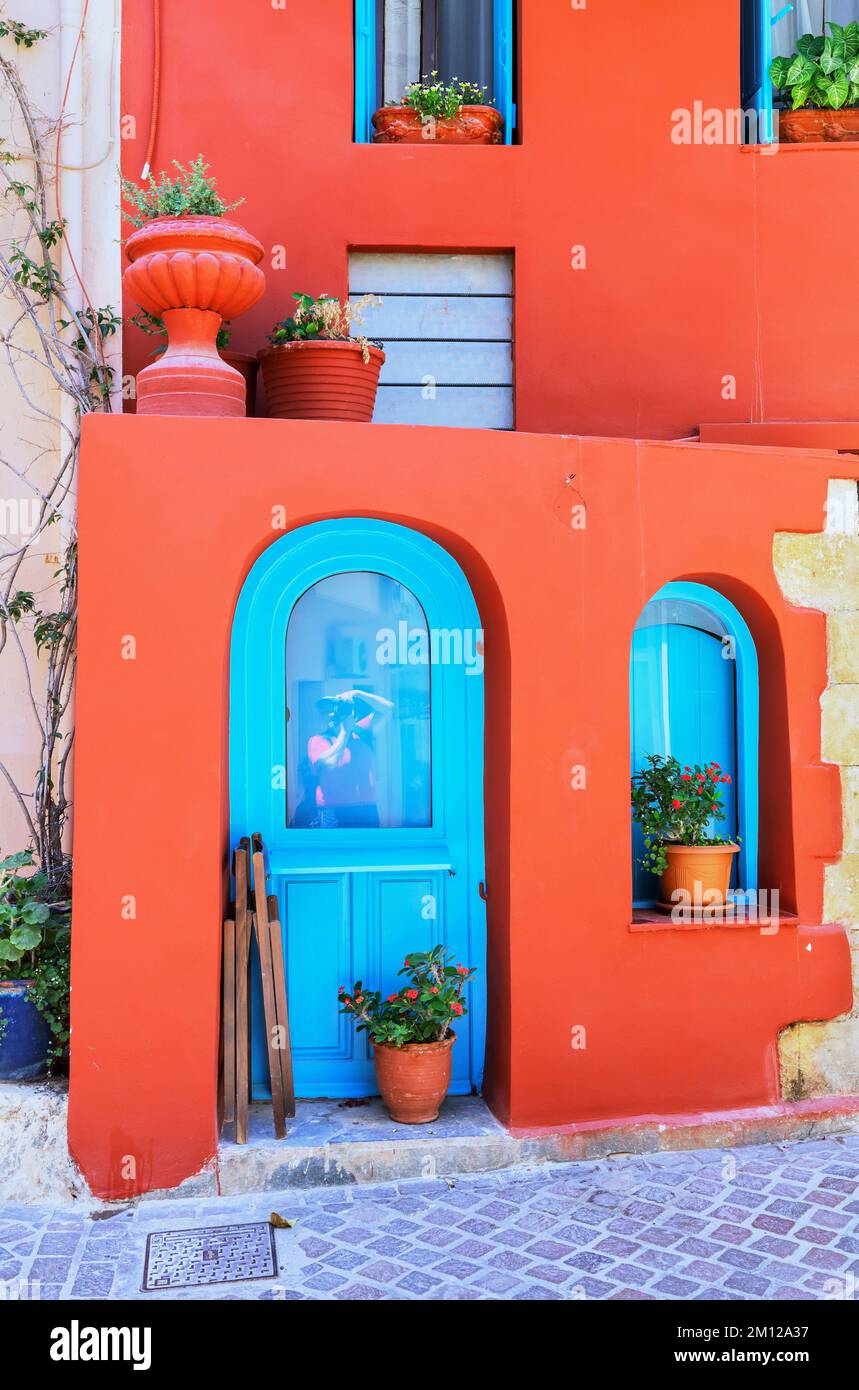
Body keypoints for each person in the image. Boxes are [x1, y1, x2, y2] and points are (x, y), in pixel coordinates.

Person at [304, 689, 393, 828]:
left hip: (366, 808)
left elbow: (388, 708)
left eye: (334, 709)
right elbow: (331, 763)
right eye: (324, 712)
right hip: (333, 811)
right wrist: (345, 732)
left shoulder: (361, 732)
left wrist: (358, 693)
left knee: (369, 849)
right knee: (335, 850)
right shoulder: (317, 741)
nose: (330, 714)